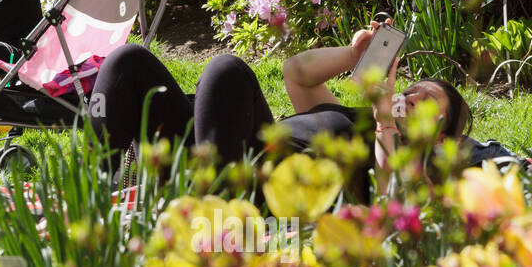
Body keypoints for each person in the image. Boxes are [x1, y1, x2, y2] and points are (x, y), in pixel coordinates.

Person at [88, 19, 471, 198]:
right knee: (127, 62)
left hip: (260, 188)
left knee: (227, 71)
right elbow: (297, 74)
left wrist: (385, 117)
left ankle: (212, 214)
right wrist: (353, 55)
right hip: (222, 149)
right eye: (415, 88)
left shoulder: (405, 167)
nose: (414, 95)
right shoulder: (354, 119)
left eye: (428, 101)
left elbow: (393, 200)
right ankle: (96, 192)